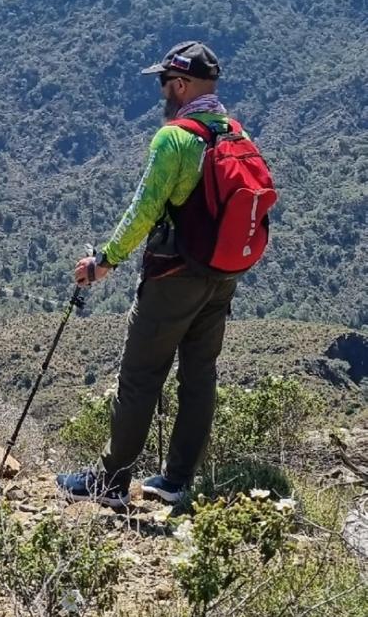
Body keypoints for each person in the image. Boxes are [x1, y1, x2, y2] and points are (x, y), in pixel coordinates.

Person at [58, 42, 248, 511]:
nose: (163, 92)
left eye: (165, 83)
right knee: (200, 375)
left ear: (180, 84)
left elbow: (144, 210)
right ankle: (177, 481)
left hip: (175, 276)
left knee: (140, 376)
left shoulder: (176, 138)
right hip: (223, 275)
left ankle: (112, 482)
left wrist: (104, 261)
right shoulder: (233, 133)